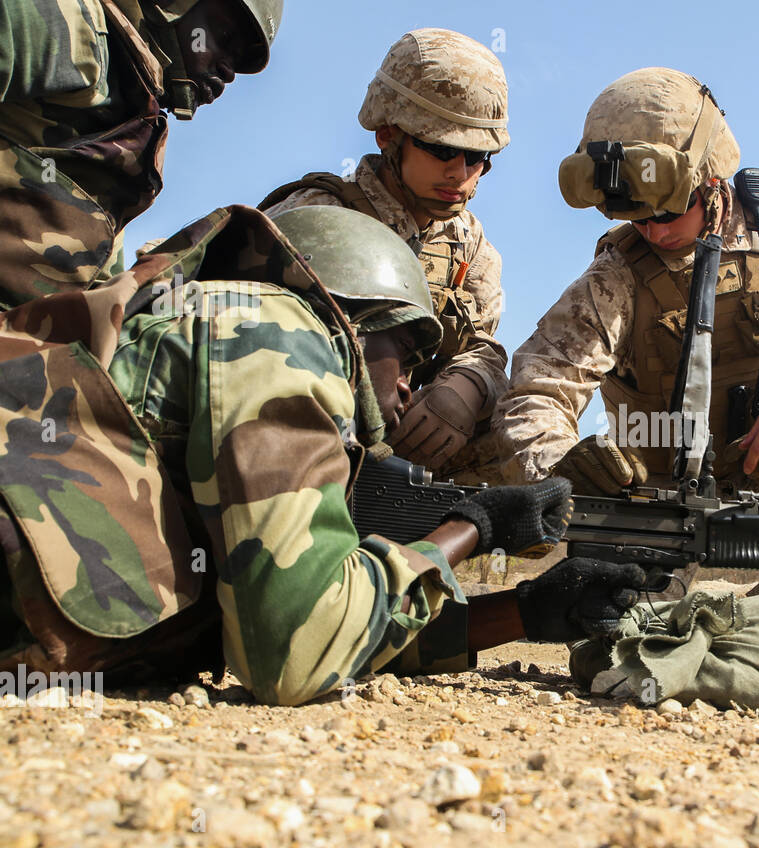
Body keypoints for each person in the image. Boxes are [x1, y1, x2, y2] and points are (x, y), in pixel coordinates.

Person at [0, 204, 642, 704]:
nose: (411, 385)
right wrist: (472, 528)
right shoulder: (276, 330)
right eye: (406, 352)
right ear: (354, 325)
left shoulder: (214, 327)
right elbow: (295, 650)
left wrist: (520, 613)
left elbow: (287, 614)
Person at [493, 68, 759, 599]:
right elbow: (539, 389)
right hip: (658, 502)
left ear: (713, 179)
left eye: (671, 210)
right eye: (636, 216)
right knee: (622, 660)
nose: (655, 232)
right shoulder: (615, 278)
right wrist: (559, 470)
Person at [260, 28, 509, 482]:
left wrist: (465, 389)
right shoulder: (317, 215)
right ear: (388, 135)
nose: (460, 172)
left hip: (400, 444)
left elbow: (482, 348)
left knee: (515, 433)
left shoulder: (470, 247)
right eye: (441, 148)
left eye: (477, 157)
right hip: (291, 436)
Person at [0, 0, 282, 311]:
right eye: (224, 36)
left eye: (238, 61)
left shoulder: (132, 132)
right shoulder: (79, 31)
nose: (228, 72)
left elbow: (96, 284)